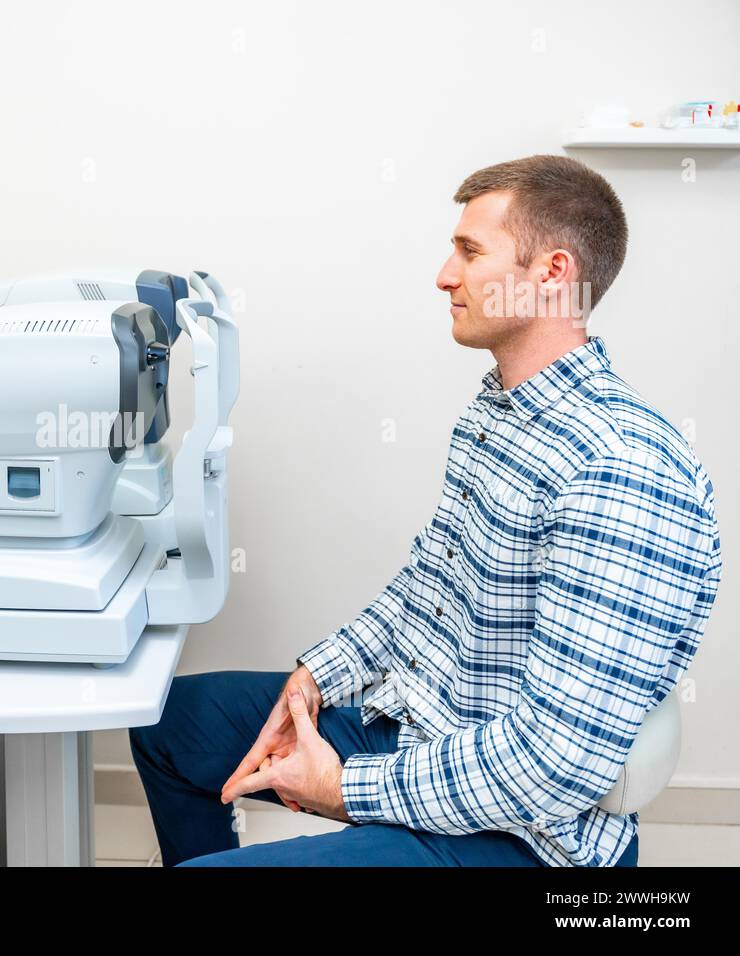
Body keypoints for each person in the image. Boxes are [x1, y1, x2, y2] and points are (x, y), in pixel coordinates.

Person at [130, 155, 722, 867]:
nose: (445, 275)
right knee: (163, 726)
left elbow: (552, 766)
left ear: (554, 273)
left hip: (526, 834)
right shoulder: (494, 413)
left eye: (471, 252)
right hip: (427, 727)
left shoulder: (621, 467)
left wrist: (345, 786)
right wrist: (316, 677)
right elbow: (425, 589)